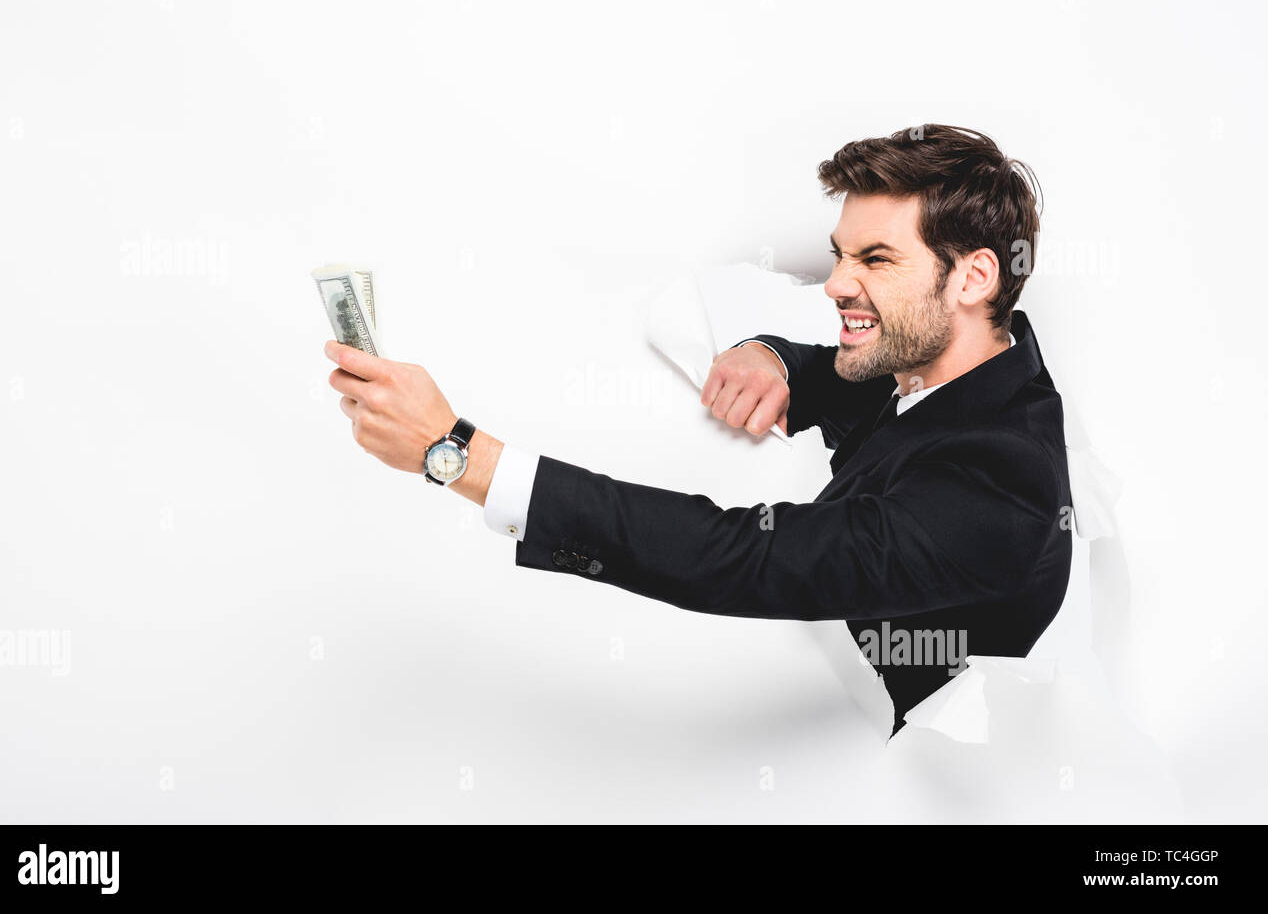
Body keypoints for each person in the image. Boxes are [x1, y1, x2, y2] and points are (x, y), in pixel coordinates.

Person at [323, 124, 1072, 733]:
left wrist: (456, 452)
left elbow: (737, 557)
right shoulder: (959, 361)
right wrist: (773, 355)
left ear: (974, 277)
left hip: (916, 757)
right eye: (842, 255)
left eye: (876, 259)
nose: (838, 283)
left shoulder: (1004, 485)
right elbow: (842, 377)